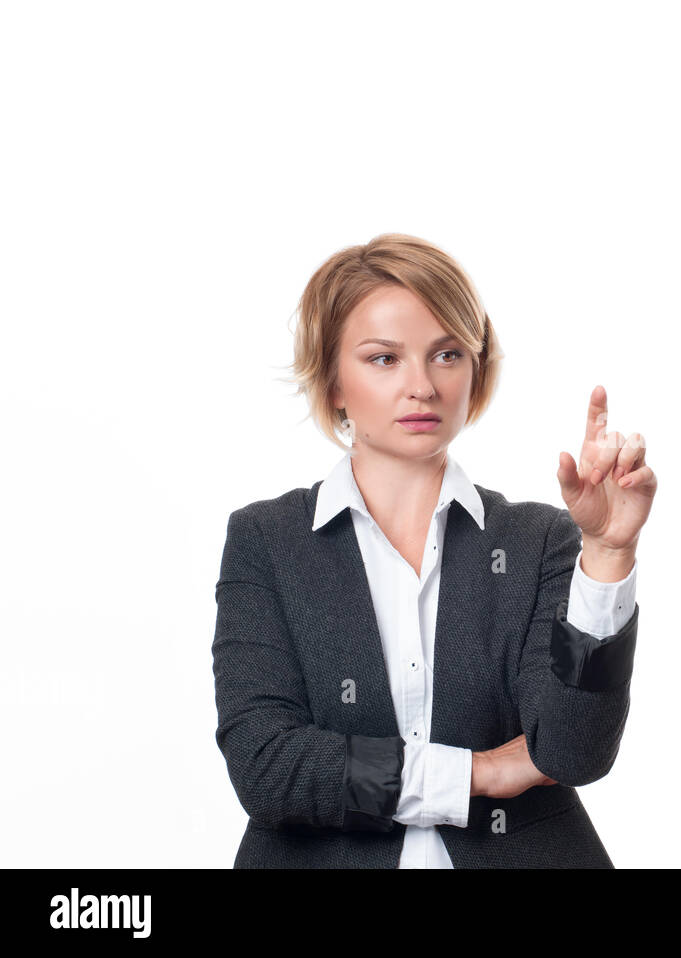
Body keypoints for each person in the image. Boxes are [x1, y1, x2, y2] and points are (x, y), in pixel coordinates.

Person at [211, 233, 656, 867]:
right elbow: (267, 764)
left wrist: (609, 553)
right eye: (384, 359)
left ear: (474, 371)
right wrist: (475, 774)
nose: (421, 385)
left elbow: (573, 753)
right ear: (332, 379)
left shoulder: (537, 542)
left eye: (446, 354)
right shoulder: (267, 542)